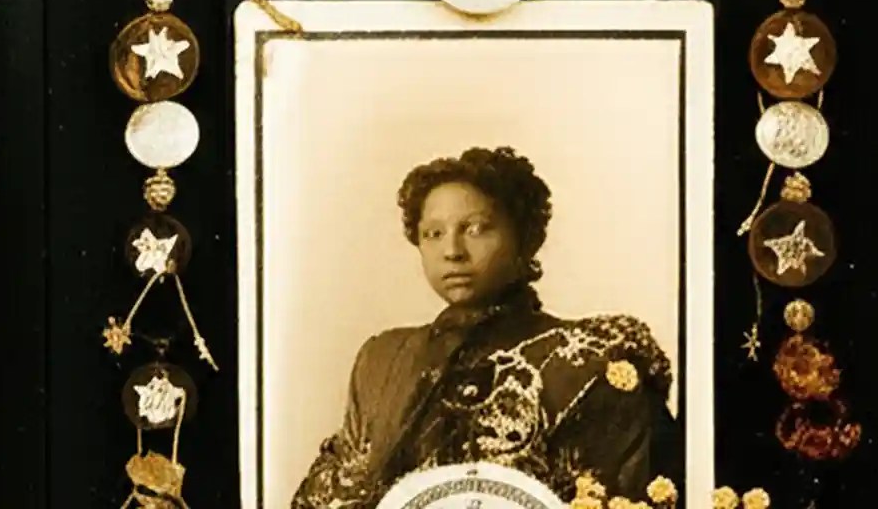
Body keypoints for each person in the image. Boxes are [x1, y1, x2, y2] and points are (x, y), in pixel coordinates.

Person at [292, 147, 683, 508]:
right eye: (433, 233)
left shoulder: (587, 359)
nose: (453, 251)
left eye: (476, 228)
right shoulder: (383, 359)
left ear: (523, 240)